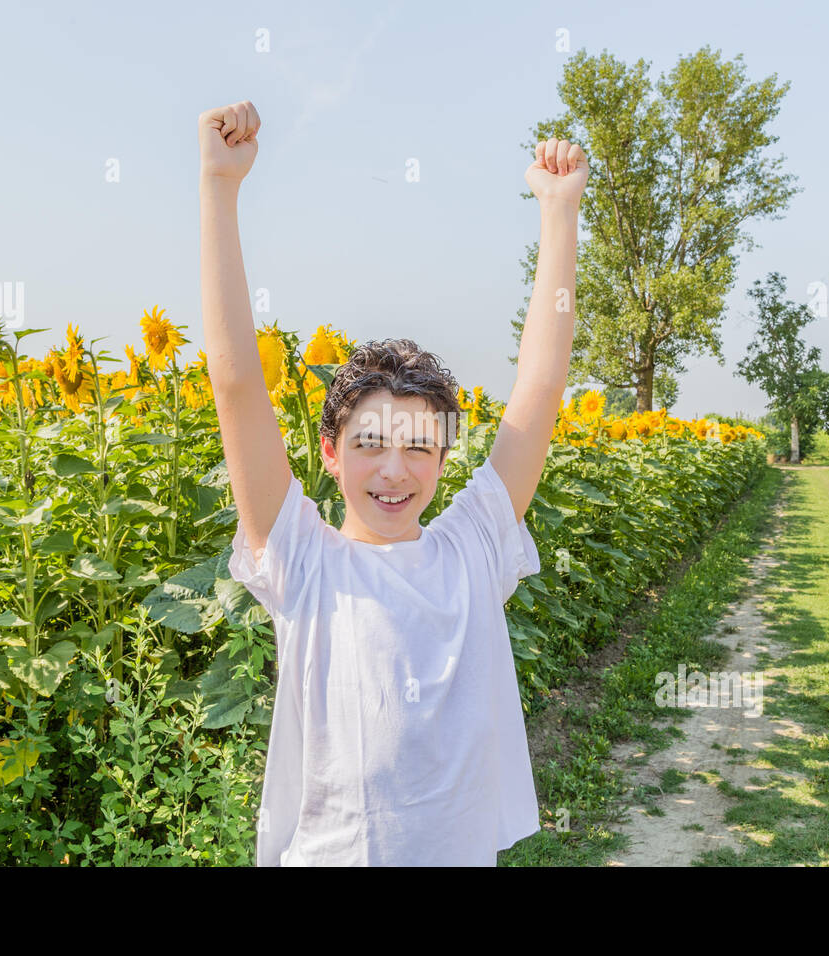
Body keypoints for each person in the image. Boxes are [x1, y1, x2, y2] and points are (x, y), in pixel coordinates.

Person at [198, 100, 587, 865]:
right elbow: (237, 380)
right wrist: (219, 185)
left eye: (419, 447)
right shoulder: (306, 562)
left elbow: (541, 386)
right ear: (330, 452)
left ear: (446, 458)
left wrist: (559, 213)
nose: (395, 470)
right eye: (371, 443)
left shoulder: (472, 549)